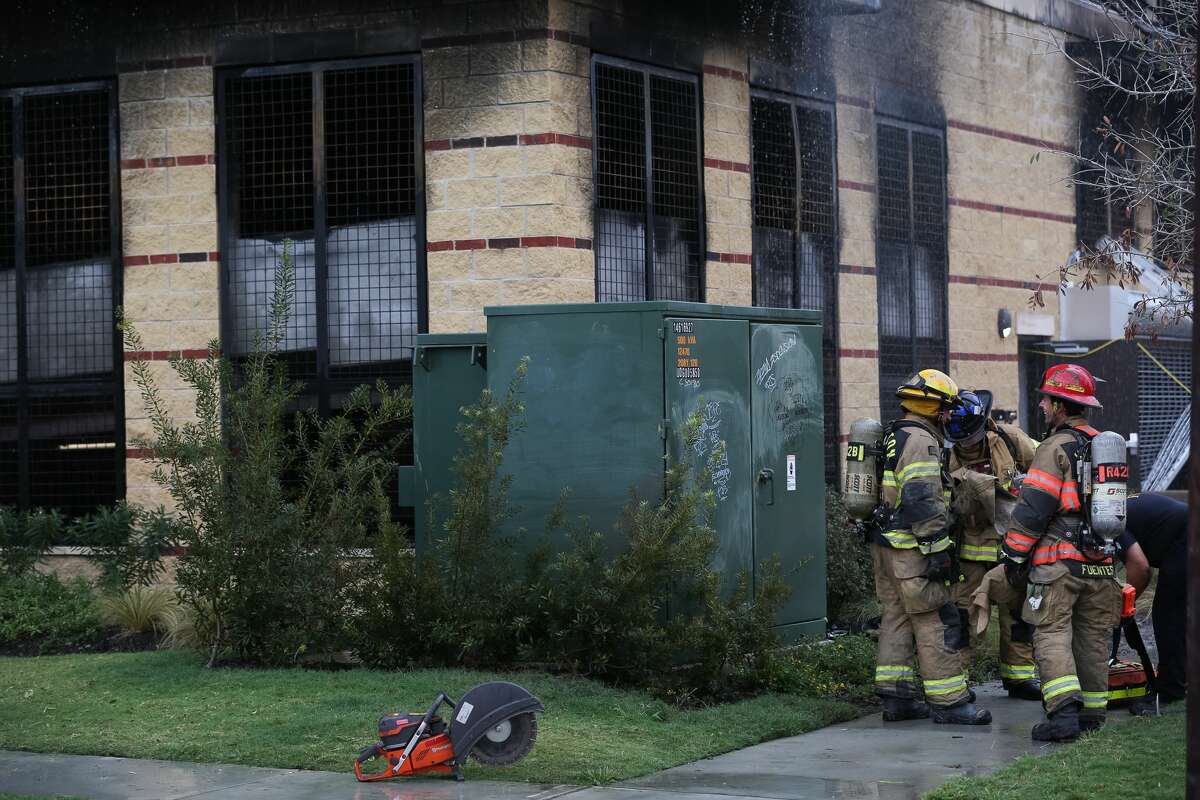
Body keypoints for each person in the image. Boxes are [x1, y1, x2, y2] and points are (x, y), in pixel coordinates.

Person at [1001, 363, 1121, 742]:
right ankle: (1092, 713)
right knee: (1092, 636)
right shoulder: (1103, 445)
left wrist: (1013, 554)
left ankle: (1063, 715)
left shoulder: (1054, 447)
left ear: (1059, 406)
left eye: (1046, 400)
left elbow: (1033, 509)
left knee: (1050, 631)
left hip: (1059, 564)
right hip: (1101, 563)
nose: (1041, 406)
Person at [873, 369, 992, 725]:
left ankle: (897, 699)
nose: (948, 416)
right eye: (946, 409)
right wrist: (937, 549)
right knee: (936, 618)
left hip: (885, 545)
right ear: (931, 408)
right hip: (911, 547)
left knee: (896, 615)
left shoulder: (895, 434)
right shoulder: (921, 441)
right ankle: (950, 702)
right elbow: (922, 498)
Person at [946, 389, 1041, 701]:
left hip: (1010, 546)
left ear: (983, 424)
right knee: (964, 613)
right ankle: (957, 680)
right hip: (969, 548)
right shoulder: (947, 454)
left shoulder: (1010, 439)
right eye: (961, 440)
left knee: (1017, 612)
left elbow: (1044, 467)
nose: (967, 445)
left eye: (971, 438)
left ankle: (1018, 678)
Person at [1115, 493, 1188, 713]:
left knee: (1168, 617)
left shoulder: (1110, 521)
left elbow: (1140, 568)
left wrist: (1122, 610)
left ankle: (1170, 693)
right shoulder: (1120, 507)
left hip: (1186, 540)